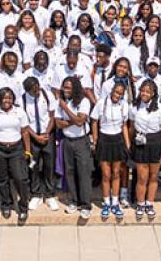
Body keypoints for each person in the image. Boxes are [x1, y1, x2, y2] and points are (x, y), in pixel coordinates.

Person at [0, 87, 32, 224]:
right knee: (2, 179)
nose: (7, 101)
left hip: (16, 149)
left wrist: (28, 151)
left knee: (20, 179)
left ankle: (23, 208)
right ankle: (6, 204)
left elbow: (25, 132)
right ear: (0, 99)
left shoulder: (19, 112)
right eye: (5, 98)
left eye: (10, 98)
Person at [90, 79, 130, 220]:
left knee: (116, 173)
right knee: (106, 174)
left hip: (117, 140)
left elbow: (124, 125)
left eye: (120, 93)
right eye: (116, 92)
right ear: (112, 90)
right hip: (104, 140)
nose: (117, 95)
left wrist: (128, 144)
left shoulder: (124, 105)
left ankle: (115, 202)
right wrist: (95, 140)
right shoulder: (101, 103)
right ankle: (106, 202)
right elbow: (94, 121)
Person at [55, 76, 94, 218]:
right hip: (67, 141)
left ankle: (86, 205)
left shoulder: (83, 101)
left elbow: (80, 121)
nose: (66, 90)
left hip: (81, 141)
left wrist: (66, 110)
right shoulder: (62, 101)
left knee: (83, 173)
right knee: (69, 172)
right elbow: (59, 123)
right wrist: (75, 119)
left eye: (69, 87)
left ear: (75, 88)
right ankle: (73, 200)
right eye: (64, 87)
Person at [129, 78, 161, 220]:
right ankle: (140, 203)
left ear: (153, 93)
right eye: (142, 91)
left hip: (155, 141)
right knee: (142, 177)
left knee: (153, 176)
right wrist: (131, 144)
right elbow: (131, 127)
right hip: (140, 142)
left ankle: (149, 203)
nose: (144, 93)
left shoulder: (160, 107)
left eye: (147, 91)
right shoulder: (134, 106)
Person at [21, 76, 59, 212]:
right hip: (32, 138)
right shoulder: (22, 100)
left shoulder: (47, 95)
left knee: (49, 165)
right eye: (33, 90)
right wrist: (36, 137)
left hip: (47, 135)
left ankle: (50, 194)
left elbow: (52, 116)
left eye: (38, 88)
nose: (37, 92)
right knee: (33, 165)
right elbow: (24, 123)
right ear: (27, 90)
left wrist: (47, 133)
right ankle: (36, 193)